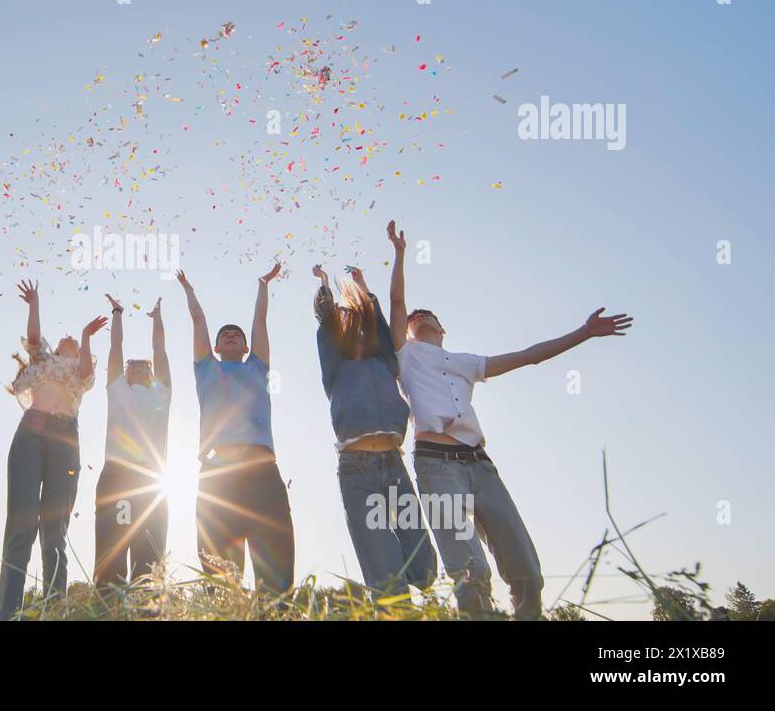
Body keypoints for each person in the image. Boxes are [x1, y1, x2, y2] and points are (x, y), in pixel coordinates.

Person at [387, 220, 633, 619]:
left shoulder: (466, 363)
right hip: (436, 466)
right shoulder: (406, 356)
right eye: (414, 316)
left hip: (481, 467)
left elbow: (528, 356)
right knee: (472, 572)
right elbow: (397, 302)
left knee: (528, 575)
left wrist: (583, 333)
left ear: (442, 328)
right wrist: (399, 254)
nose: (418, 314)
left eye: (427, 313)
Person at [313, 258, 436, 598]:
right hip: (357, 472)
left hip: (394, 467)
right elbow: (326, 321)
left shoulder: (385, 360)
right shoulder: (335, 368)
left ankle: (398, 573)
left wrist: (363, 285)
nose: (351, 323)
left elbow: (378, 321)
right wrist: (324, 283)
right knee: (387, 582)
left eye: (356, 318)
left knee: (424, 570)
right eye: (344, 320)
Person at [177, 264, 295, 595]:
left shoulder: (258, 367)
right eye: (225, 334)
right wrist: (188, 289)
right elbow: (198, 322)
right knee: (220, 575)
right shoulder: (206, 369)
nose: (231, 335)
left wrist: (263, 285)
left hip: (261, 470)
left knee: (276, 571)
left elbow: (260, 321)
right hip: (217, 475)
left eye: (237, 334)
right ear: (216, 347)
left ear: (246, 347)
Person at [0, 279, 108, 620]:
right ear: (56, 347)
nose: (69, 338)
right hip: (32, 432)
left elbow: (88, 372)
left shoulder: (80, 371)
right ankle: (8, 613)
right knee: (21, 525)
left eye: (74, 340)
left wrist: (87, 336)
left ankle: (54, 610)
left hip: (65, 439)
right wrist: (34, 302)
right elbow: (33, 337)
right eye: (67, 338)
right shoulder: (43, 361)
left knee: (54, 532)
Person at [93, 296, 171, 593]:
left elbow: (160, 350)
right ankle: (106, 605)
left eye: (144, 367)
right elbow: (116, 348)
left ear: (152, 375)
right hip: (118, 476)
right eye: (132, 366)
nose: (137, 367)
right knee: (112, 547)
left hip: (152, 478)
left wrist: (157, 318)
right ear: (124, 374)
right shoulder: (117, 390)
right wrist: (117, 313)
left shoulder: (161, 393)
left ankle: (148, 607)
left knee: (148, 555)